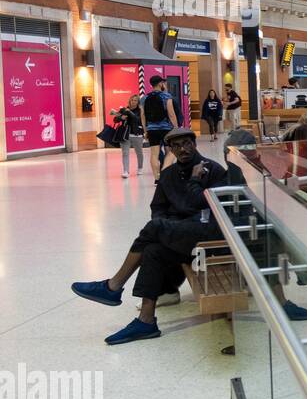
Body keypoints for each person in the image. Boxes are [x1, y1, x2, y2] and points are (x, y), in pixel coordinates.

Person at [70, 128, 226, 345]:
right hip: (178, 236)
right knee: (153, 250)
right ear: (171, 150)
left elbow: (208, 206)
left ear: (194, 143)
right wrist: (168, 229)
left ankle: (113, 286)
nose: (182, 149)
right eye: (176, 146)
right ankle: (146, 321)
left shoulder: (213, 170)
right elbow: (158, 208)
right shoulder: (168, 175)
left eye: (186, 143)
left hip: (206, 236)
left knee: (154, 228)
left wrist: (194, 180)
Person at [141, 75, 179, 179]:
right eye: (163, 82)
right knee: (170, 151)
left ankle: (157, 178)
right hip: (166, 129)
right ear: (160, 84)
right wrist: (176, 128)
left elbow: (143, 116)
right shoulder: (166, 96)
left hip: (152, 130)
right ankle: (165, 174)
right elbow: (171, 113)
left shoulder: (144, 98)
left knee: (154, 154)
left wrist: (145, 130)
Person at [113, 94, 146, 178]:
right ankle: (126, 171)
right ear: (129, 101)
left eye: (135, 100)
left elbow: (137, 119)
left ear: (138, 102)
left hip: (137, 134)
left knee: (139, 152)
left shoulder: (140, 110)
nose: (133, 102)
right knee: (125, 153)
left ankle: (140, 168)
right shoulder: (124, 110)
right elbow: (115, 120)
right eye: (132, 100)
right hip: (125, 135)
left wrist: (129, 112)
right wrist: (121, 118)